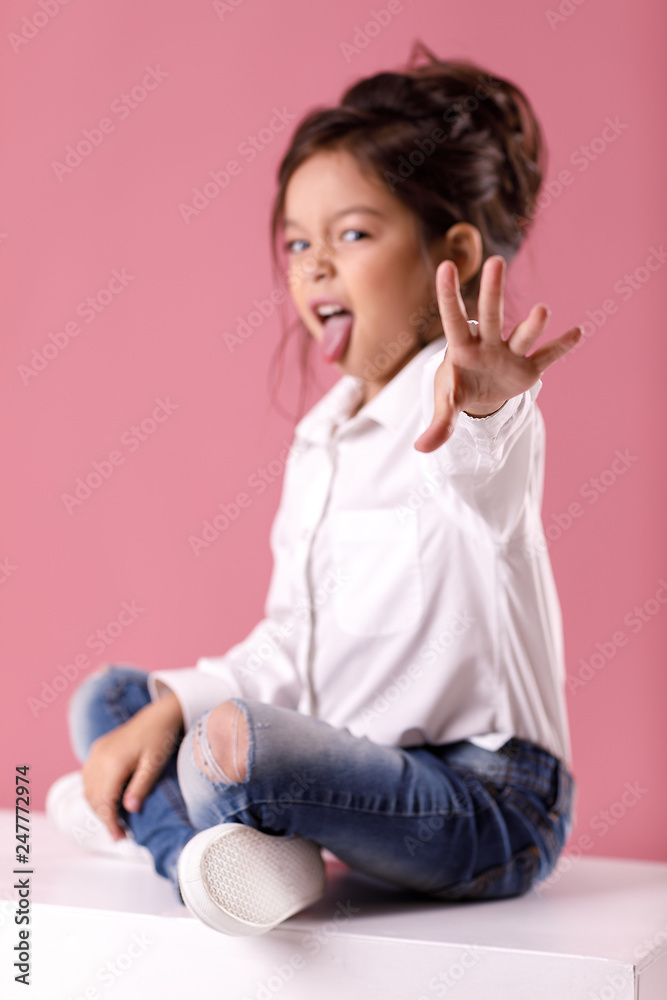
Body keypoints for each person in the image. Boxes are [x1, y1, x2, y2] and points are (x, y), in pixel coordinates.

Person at [47, 40, 581, 937]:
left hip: (488, 804)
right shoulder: (322, 439)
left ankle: (169, 828)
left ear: (449, 251)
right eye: (298, 242)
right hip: (356, 770)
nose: (314, 266)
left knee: (236, 752)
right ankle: (217, 858)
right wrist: (173, 706)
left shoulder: (462, 407)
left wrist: (488, 409)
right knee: (110, 703)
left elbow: (488, 478)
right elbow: (289, 647)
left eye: (353, 234)